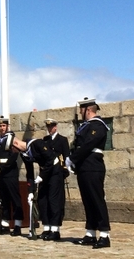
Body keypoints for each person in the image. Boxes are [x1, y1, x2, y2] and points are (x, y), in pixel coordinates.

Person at [66, 97, 111, 249]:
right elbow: (78, 145)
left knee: (97, 200)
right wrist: (74, 161)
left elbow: (88, 144)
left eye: (82, 110)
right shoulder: (86, 126)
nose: (80, 112)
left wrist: (73, 159)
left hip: (93, 166)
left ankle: (104, 235)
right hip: (84, 166)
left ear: (88, 110)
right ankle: (90, 233)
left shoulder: (98, 125)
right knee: (88, 201)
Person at [0, 116, 23, 236]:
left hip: (10, 173)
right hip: (1, 174)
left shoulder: (12, 139)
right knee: (3, 200)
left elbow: (13, 157)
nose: (2, 128)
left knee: (15, 199)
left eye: (4, 126)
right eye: (0, 126)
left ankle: (17, 225)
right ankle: (5, 224)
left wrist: (1, 168)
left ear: (7, 126)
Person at [40, 118, 69, 240]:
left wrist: (64, 172)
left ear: (55, 127)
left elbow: (66, 157)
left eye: (51, 126)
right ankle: (47, 227)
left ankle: (55, 229)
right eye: (48, 127)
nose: (49, 129)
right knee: (44, 200)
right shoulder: (45, 140)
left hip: (56, 174)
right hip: (46, 174)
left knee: (54, 201)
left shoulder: (62, 140)